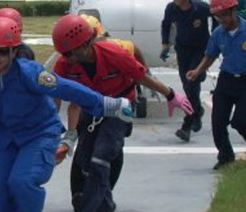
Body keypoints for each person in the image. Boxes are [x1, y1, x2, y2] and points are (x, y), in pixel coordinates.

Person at [0, 17, 136, 212]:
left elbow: (67, 89)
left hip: (38, 135)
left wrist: (107, 104)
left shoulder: (30, 73)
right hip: (6, 138)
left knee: (22, 182)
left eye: (1, 51)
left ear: (13, 51)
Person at [52, 14, 193, 212]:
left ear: (85, 44)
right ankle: (93, 199)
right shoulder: (64, 64)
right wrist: (57, 132)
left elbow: (141, 76)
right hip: (92, 109)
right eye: (63, 54)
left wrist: (170, 95)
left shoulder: (114, 53)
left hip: (120, 108)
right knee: (84, 158)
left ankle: (97, 205)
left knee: (102, 155)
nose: (66, 58)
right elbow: (56, 96)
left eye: (69, 54)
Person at [187, 0, 246, 170]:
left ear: (234, 11)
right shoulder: (218, 33)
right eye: (218, 16)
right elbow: (210, 55)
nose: (222, 20)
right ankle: (225, 157)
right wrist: (197, 70)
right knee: (218, 122)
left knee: (240, 122)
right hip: (226, 80)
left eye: (225, 15)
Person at [161, 0, 211, 142]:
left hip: (200, 50)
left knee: (192, 83)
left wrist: (217, 41)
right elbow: (165, 24)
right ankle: (197, 111)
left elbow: (218, 18)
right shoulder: (171, 9)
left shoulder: (202, 9)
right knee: (188, 87)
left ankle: (187, 125)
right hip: (182, 50)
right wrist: (165, 44)